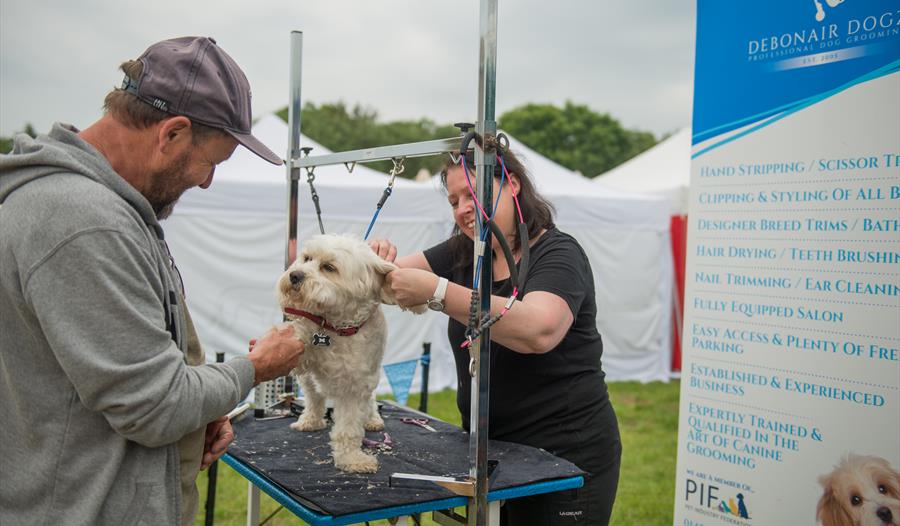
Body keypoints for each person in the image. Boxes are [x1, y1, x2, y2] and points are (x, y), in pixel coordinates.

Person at [0, 36, 305, 525]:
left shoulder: (97, 207)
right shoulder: (84, 221)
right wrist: (255, 368)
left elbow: (127, 381)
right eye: (212, 163)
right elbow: (156, 406)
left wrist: (197, 415)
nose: (206, 182)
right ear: (172, 134)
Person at [371, 143, 622, 525]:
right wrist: (369, 259)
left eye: (471, 194)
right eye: (454, 201)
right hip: (492, 455)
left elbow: (539, 330)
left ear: (513, 185)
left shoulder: (559, 254)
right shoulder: (465, 251)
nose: (462, 209)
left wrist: (439, 292)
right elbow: (385, 282)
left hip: (566, 457)